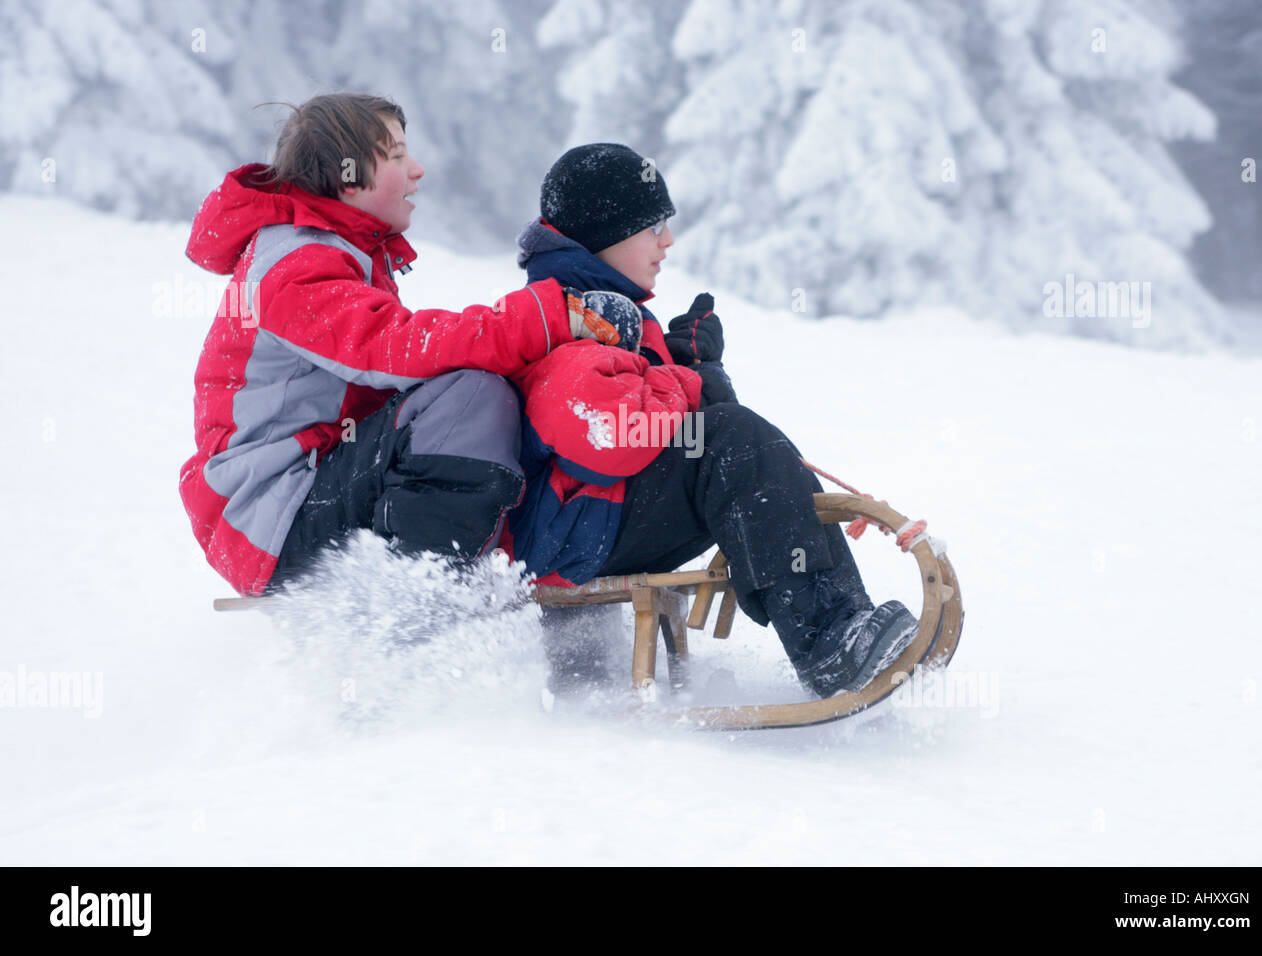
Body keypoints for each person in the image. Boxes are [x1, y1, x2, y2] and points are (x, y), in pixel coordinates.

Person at [180, 94, 642, 596]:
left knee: (468, 392)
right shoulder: (296, 260)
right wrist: (546, 317)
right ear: (347, 175)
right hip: (272, 510)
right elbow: (392, 348)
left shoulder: (333, 250)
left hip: (301, 491)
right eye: (397, 156)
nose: (417, 170)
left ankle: (451, 578)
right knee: (469, 396)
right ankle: (421, 605)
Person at [504, 144, 922, 698]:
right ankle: (828, 642)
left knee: (741, 445)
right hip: (572, 531)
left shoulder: (612, 311)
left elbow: (658, 425)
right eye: (653, 226)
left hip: (594, 519)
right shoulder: (565, 312)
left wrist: (691, 373)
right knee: (737, 442)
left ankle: (845, 627)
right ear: (605, 234)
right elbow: (605, 438)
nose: (667, 241)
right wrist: (695, 381)